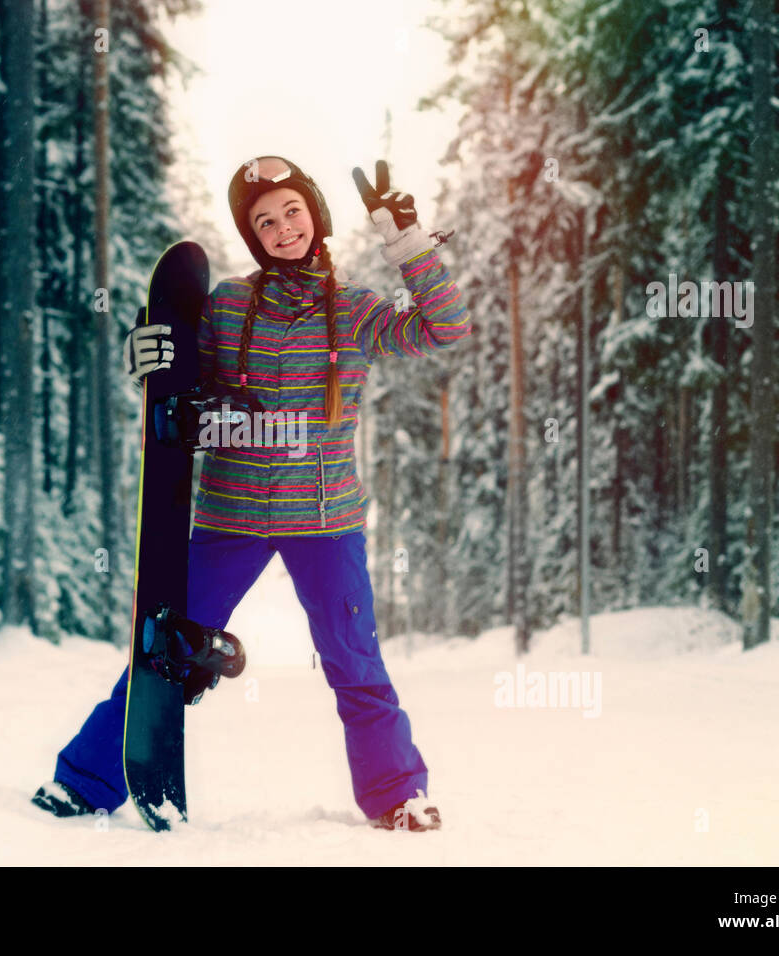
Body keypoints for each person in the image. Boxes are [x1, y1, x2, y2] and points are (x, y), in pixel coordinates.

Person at [33, 156, 471, 831]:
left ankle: (397, 794)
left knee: (354, 659)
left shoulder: (352, 309)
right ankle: (84, 782)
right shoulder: (230, 305)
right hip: (229, 513)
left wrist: (407, 244)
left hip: (324, 519)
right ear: (254, 236)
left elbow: (443, 329)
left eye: (292, 211)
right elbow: (173, 379)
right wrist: (144, 353)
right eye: (264, 221)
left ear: (315, 216)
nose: (281, 227)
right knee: (160, 651)